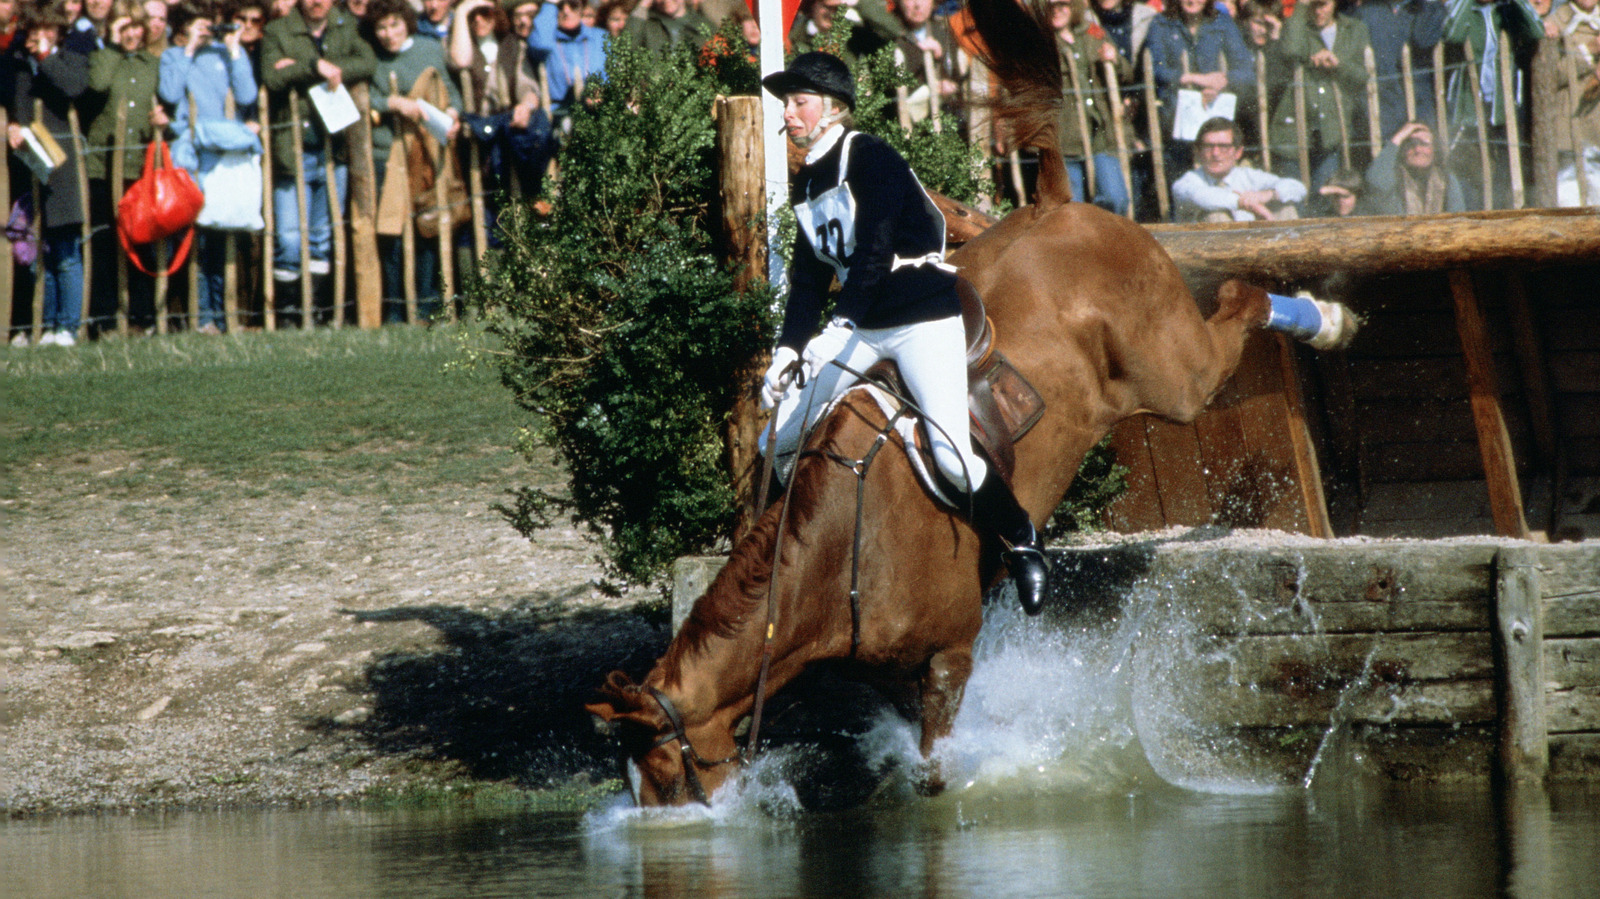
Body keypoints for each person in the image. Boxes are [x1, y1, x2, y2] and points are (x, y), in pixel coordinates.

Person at [757, 52, 1050, 616]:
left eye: (799, 102)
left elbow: (874, 253)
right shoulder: (807, 182)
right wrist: (787, 351)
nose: (788, 113)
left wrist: (836, 330)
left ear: (832, 109)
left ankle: (1021, 539)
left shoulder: (870, 156)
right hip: (863, 326)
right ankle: (780, 566)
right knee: (778, 437)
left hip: (920, 318)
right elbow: (809, 279)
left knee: (950, 455)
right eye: (787, 104)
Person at [261, 0, 374, 319]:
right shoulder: (278, 31)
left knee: (321, 237)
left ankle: (316, 310)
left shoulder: (344, 25)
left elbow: (367, 62)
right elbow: (272, 77)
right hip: (291, 149)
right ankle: (288, 312)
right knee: (288, 239)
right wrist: (312, 65)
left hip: (332, 149)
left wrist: (322, 67)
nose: (317, 2)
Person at [161, 0, 259, 334]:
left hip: (222, 155)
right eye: (197, 23)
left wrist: (234, 52)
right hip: (190, 155)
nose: (205, 29)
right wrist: (189, 50)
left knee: (221, 235)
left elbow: (246, 95)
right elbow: (169, 93)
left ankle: (224, 312)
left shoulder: (225, 53)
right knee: (196, 238)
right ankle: (202, 317)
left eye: (208, 23)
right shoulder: (174, 56)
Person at [367, 0, 461, 321]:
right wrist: (392, 103)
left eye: (394, 24)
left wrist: (453, 114)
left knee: (427, 225)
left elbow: (451, 91)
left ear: (406, 22)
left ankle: (428, 304)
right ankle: (395, 309)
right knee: (391, 230)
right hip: (388, 154)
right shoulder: (373, 58)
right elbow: (364, 96)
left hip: (425, 151)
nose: (388, 34)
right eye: (381, 27)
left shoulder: (428, 49)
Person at [9, 4, 90, 346]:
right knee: (43, 249)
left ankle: (67, 326)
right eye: (34, 30)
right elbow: (14, 100)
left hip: (63, 165)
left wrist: (46, 57)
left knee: (66, 249)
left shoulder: (70, 59)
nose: (40, 35)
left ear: (58, 32)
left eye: (48, 29)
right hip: (31, 161)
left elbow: (74, 87)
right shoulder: (17, 63)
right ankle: (48, 324)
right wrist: (13, 123)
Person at [86, 2, 166, 333]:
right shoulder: (101, 58)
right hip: (102, 166)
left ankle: (142, 316)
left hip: (138, 165)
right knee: (104, 241)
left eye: (135, 26)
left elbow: (167, 102)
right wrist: (113, 46)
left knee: (140, 238)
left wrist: (163, 119)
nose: (131, 33)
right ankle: (103, 318)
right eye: (123, 27)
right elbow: (99, 85)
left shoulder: (154, 64)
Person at [1442, 0, 1543, 207]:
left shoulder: (1506, 11)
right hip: (1470, 103)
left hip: (1502, 105)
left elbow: (1536, 31)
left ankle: (1501, 212)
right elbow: (1452, 34)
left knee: (1504, 169)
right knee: (1468, 170)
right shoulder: (1466, 8)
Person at [1267, 0, 1372, 190]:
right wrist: (1301, 6)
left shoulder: (1354, 28)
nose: (1317, 11)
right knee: (1293, 192)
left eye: (1323, 4)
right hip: (1295, 128)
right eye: (1313, 5)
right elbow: (1291, 50)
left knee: (1325, 192)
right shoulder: (1299, 26)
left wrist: (1338, 64)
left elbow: (1361, 76)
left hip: (1332, 130)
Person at [1145, 0, 1256, 175]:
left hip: (1216, 117)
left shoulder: (1222, 23)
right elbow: (1155, 69)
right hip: (1175, 119)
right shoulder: (1162, 24)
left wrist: (1222, 81)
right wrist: (1191, 78)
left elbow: (1245, 70)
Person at [1047, 0, 1131, 215]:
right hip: (1065, 140)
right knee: (1072, 211)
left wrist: (1114, 59)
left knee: (1116, 200)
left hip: (1100, 135)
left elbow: (1127, 75)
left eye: (1062, 5)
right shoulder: (1039, 42)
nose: (1056, 11)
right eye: (1050, 6)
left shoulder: (1093, 33)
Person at [1172, 115, 1308, 220]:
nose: (1215, 153)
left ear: (1238, 152)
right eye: (1208, 146)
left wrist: (1267, 195)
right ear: (1198, 151)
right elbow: (1200, 196)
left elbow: (1298, 188)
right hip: (1209, 247)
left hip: (1254, 244)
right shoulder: (1187, 182)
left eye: (1223, 147)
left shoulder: (1247, 176)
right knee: (1216, 215)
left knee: (1285, 208)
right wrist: (1244, 202)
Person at [1355, 0, 1447, 142]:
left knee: (1420, 149)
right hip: (1381, 109)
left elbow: (1424, 39)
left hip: (1419, 104)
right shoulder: (1366, 13)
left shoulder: (1424, 9)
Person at [1544, 0, 1600, 205]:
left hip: (1597, 127)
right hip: (1571, 126)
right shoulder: (1556, 22)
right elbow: (1549, 75)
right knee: (1570, 201)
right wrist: (1589, 51)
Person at [1363, 119, 1466, 212]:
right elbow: (1376, 183)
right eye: (1411, 144)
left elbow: (1458, 214)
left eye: (1424, 144)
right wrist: (1399, 137)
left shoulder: (1447, 179)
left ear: (1434, 149)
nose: (1417, 149)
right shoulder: (1395, 178)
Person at [625, 0, 710, 54]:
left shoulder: (703, 25)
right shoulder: (648, 25)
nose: (666, 1)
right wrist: (642, 6)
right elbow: (627, 48)